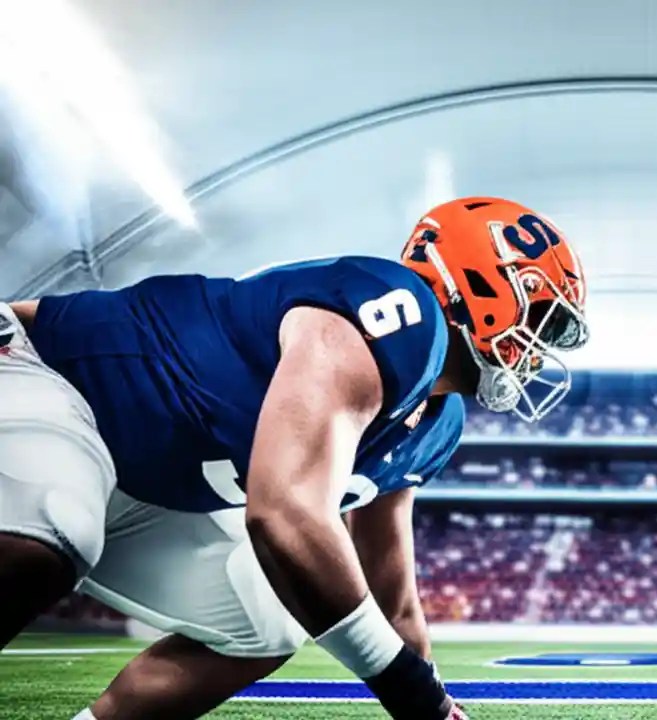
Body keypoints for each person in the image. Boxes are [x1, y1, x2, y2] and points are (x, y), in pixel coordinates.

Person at [0, 196, 588, 719]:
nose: (539, 348)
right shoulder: (398, 308)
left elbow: (392, 592)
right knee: (52, 522)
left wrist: (435, 703)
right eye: (542, 317)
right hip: (38, 366)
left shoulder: (438, 423)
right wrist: (412, 693)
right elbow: (282, 514)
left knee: (263, 624)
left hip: (134, 476)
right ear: (482, 286)